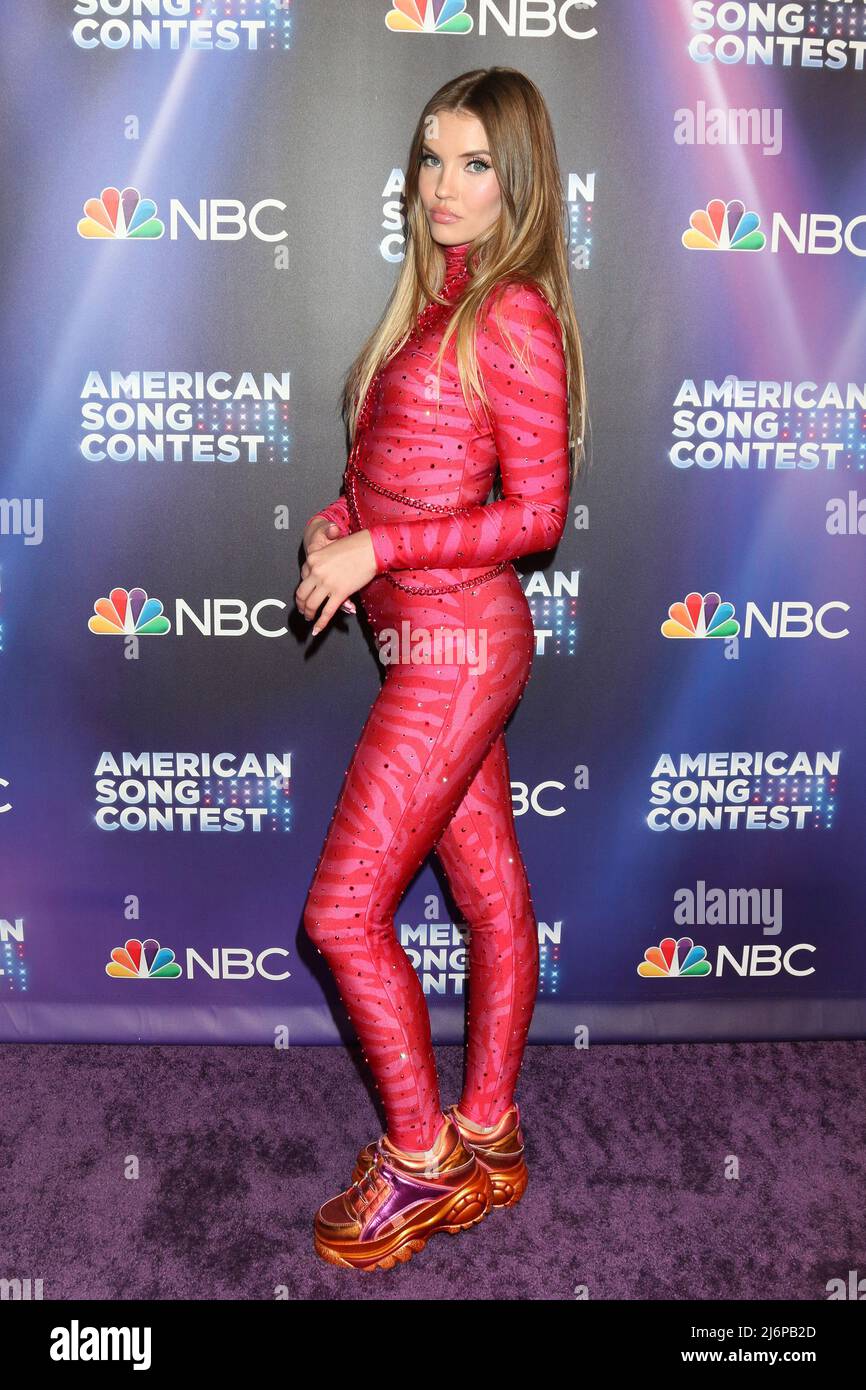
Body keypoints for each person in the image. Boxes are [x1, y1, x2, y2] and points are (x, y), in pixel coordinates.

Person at [295, 66, 588, 1271]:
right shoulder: (433, 302)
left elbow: (538, 514)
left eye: (474, 164)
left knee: (342, 910)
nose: (443, 186)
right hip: (424, 639)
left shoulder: (508, 311)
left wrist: (381, 545)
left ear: (516, 180)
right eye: (430, 159)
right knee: (486, 890)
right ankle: (490, 1132)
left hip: (460, 649)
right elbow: (402, 465)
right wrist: (337, 523)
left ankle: (421, 1165)